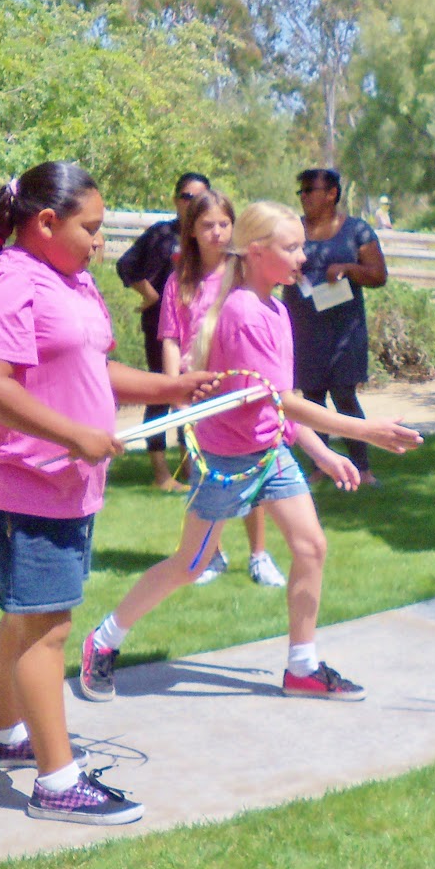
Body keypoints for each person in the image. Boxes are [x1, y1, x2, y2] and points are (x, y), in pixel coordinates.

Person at [79, 202, 423, 705]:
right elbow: (283, 400)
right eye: (291, 247)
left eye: (302, 245)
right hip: (225, 460)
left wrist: (322, 455)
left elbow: (280, 404)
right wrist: (363, 430)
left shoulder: (277, 309)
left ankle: (302, 667)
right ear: (258, 253)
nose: (303, 256)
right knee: (189, 565)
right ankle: (103, 640)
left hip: (270, 451)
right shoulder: (242, 311)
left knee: (311, 547)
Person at [0, 162, 213, 824]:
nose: (100, 242)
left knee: (25, 616)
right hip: (24, 483)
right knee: (47, 628)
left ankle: (7, 734)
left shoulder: (67, 281)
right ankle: (58, 781)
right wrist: (76, 435)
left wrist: (173, 388)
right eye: (91, 228)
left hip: (63, 481)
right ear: (46, 222)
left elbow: (95, 368)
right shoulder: (9, 282)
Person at [156, 188, 284, 588]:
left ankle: (259, 554)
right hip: (198, 392)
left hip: (240, 388)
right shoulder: (180, 281)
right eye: (206, 225)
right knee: (205, 474)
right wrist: (174, 390)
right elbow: (171, 337)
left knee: (252, 468)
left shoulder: (243, 276)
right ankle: (209, 553)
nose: (216, 233)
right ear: (191, 230)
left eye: (224, 224)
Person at [282, 168, 388, 485]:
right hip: (302, 325)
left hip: (345, 327)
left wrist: (349, 268)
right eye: (300, 191)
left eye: (309, 190)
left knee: (344, 394)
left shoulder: (357, 231)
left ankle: (362, 468)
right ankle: (320, 466)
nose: (303, 197)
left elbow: (379, 275)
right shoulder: (292, 230)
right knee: (311, 396)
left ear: (331, 194)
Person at [117, 171, 210, 492]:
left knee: (195, 392)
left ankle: (189, 465)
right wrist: (151, 295)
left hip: (199, 326)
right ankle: (160, 472)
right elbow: (126, 266)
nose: (192, 203)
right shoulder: (161, 234)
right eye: (186, 196)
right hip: (161, 326)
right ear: (175, 200)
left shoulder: (207, 235)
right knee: (163, 391)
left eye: (199, 197)